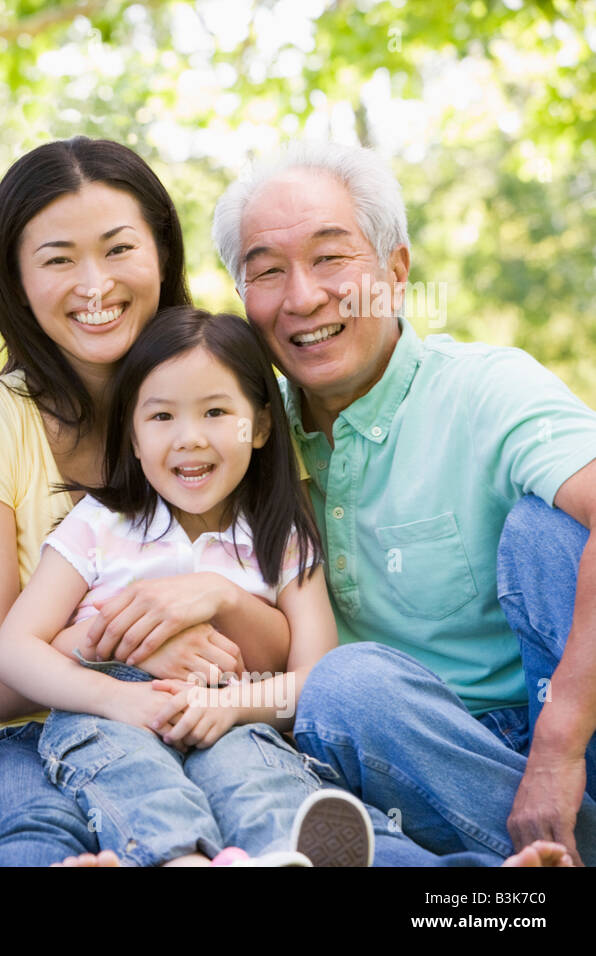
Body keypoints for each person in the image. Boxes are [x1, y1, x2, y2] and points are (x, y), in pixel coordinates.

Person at [0, 138, 297, 866]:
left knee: (279, 816)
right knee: (37, 841)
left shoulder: (220, 406)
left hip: (219, 718)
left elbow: (294, 641)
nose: (94, 285)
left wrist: (208, 600)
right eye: (57, 259)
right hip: (29, 736)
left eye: (118, 250)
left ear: (162, 253)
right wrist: (143, 649)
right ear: (17, 281)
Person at [211, 140, 595, 866]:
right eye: (266, 271)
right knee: (344, 689)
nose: (301, 297)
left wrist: (557, 746)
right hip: (404, 762)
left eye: (331, 258)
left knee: (548, 530)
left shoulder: (486, 387)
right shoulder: (247, 443)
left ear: (395, 272)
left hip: (571, 737)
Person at [0, 307, 375, 866]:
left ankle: (284, 854)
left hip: (231, 712)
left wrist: (236, 708)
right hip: (109, 713)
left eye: (216, 412)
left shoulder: (283, 537)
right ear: (134, 435)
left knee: (254, 771)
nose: (189, 439)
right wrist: (121, 697)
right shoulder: (100, 524)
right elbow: (13, 649)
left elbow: (315, 677)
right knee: (138, 775)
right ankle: (180, 859)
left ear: (262, 426)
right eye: (162, 417)